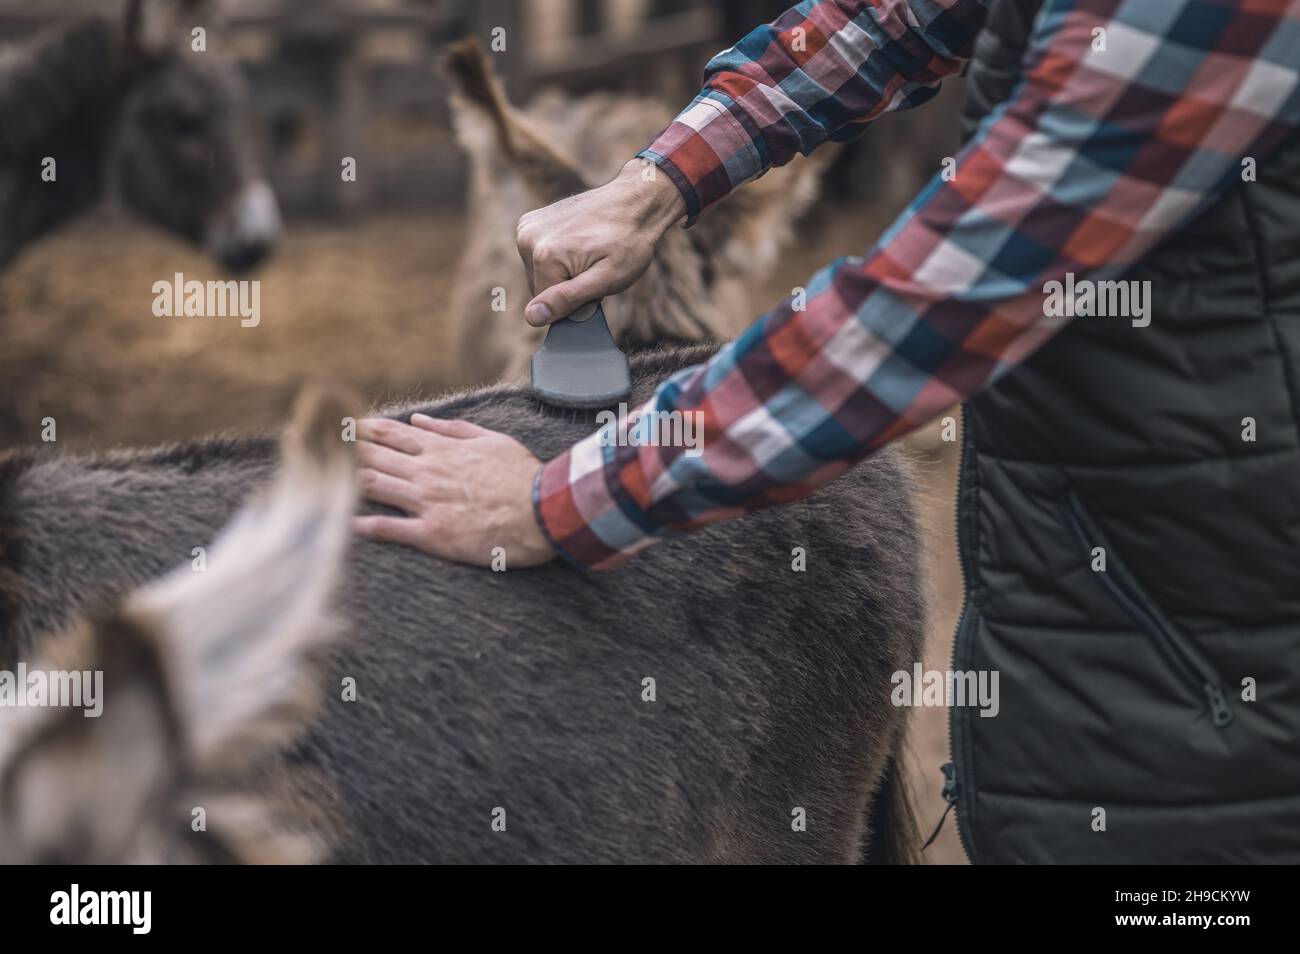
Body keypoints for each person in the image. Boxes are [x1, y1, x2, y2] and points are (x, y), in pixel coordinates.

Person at [352, 0, 1300, 863]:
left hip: (1212, 613)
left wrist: (563, 499)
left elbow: (955, 291)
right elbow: (894, 18)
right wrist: (656, 180)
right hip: (1097, 561)